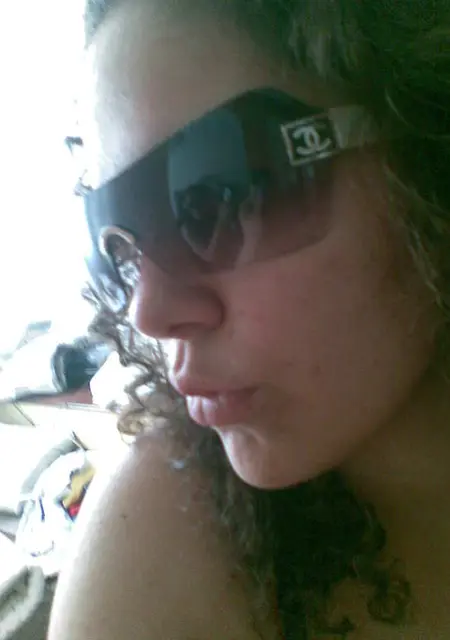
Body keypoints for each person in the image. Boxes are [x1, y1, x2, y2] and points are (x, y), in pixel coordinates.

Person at [48, 1, 450, 638]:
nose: (150, 314)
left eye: (219, 197)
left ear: (423, 143)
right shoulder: (163, 540)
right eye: (119, 248)